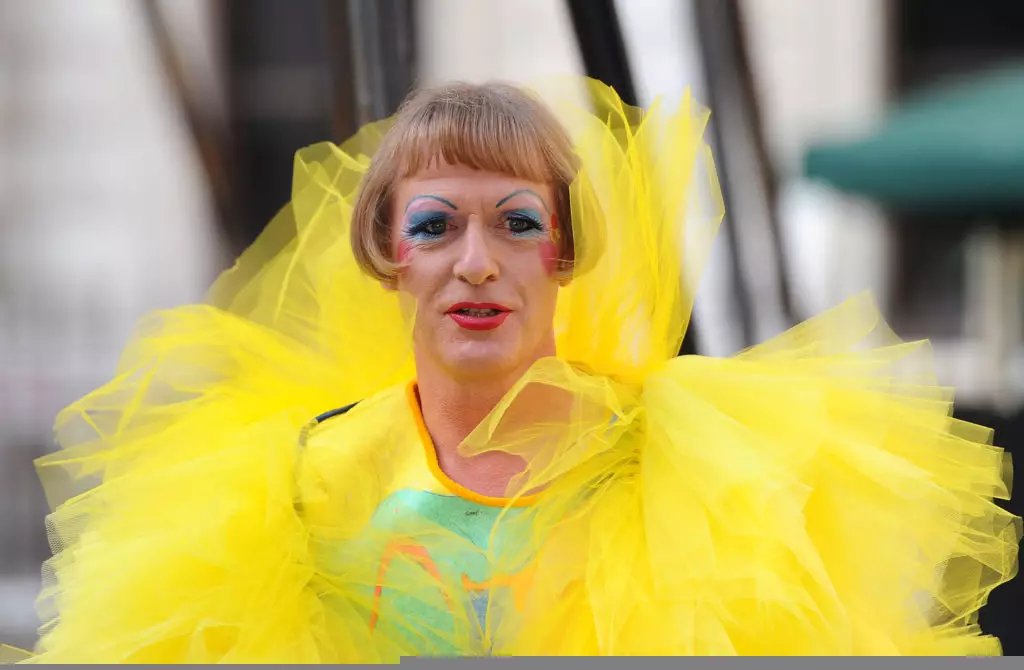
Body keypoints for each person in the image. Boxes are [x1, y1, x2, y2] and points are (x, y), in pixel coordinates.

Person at [5, 79, 1019, 662]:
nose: (476, 263)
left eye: (517, 222)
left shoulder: (687, 459)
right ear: (387, 255)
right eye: (436, 225)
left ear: (562, 254)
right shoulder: (300, 476)